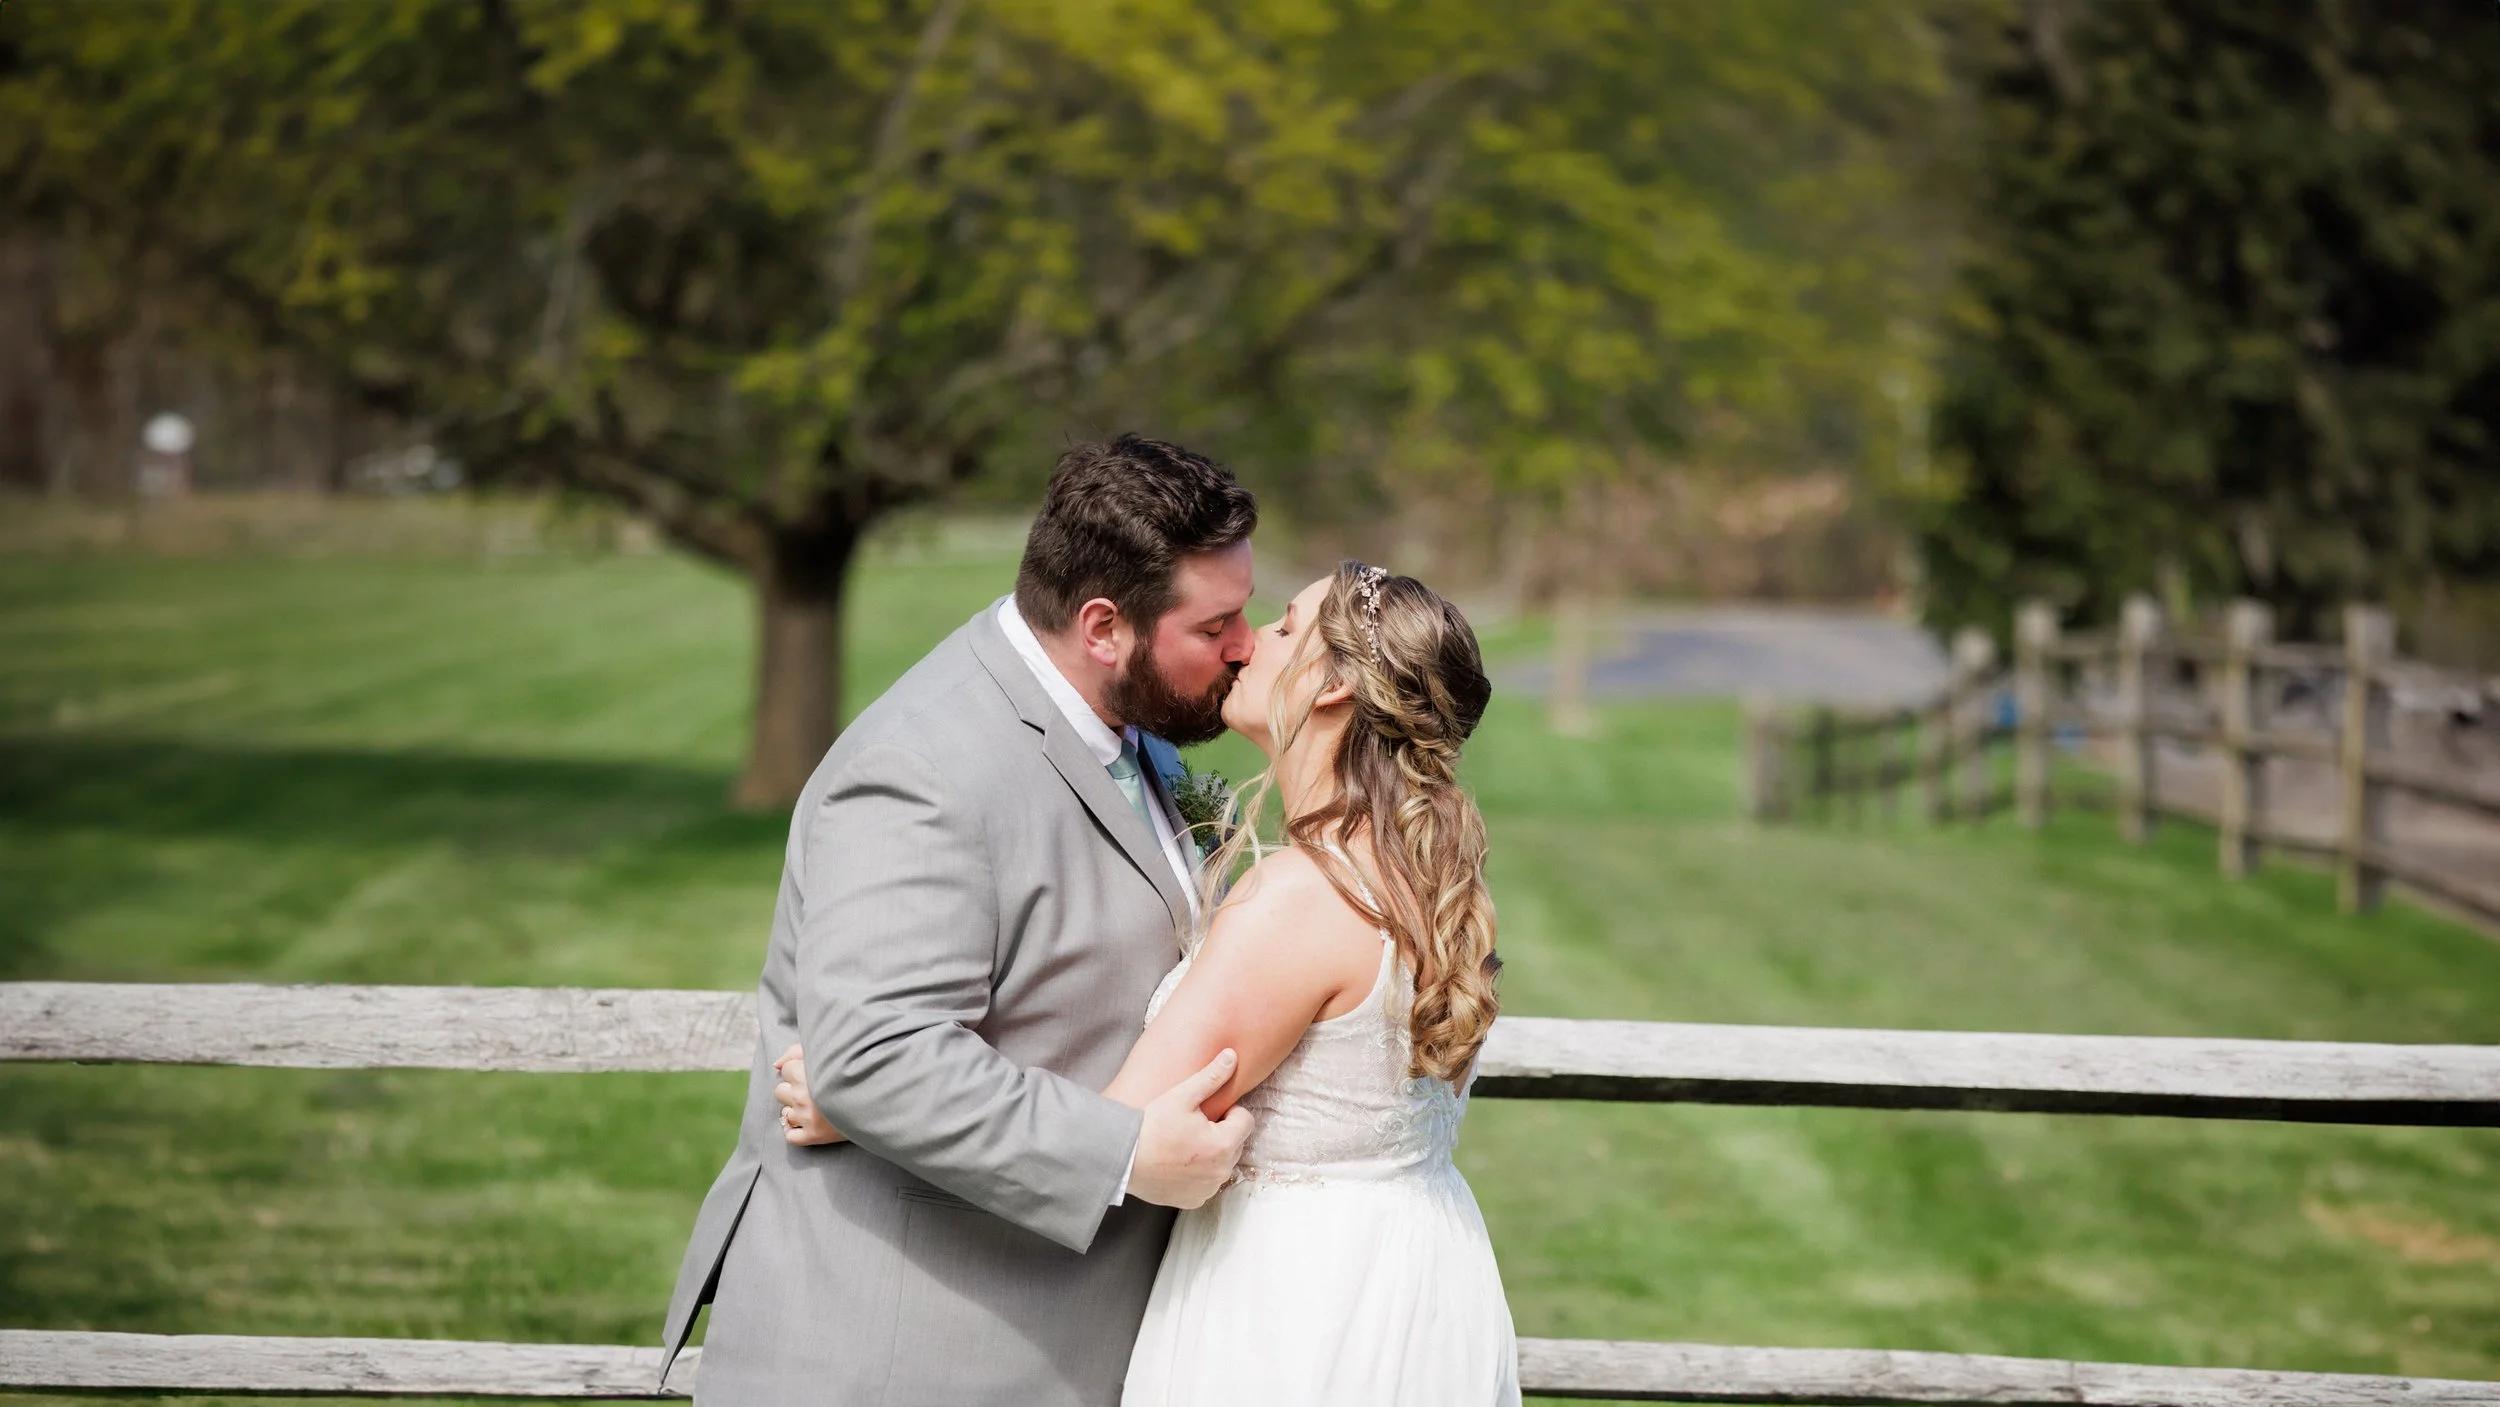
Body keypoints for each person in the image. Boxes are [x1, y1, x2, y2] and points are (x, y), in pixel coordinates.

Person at [779, 561, 1521, 1405]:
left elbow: (1121, 1124)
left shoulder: (1302, 898)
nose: (1250, 643)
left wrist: (869, 1099)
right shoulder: (1413, 873)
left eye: (1284, 628)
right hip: (1413, 1272)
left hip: (1294, 1303)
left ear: (1335, 688)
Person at [661, 435, 1263, 1407]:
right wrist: (1122, 1152)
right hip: (917, 1358)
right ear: (1103, 626)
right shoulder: (924, 767)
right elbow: (873, 1057)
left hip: (1057, 1336)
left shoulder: (1128, 730)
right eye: (1218, 624)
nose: (1245, 644)